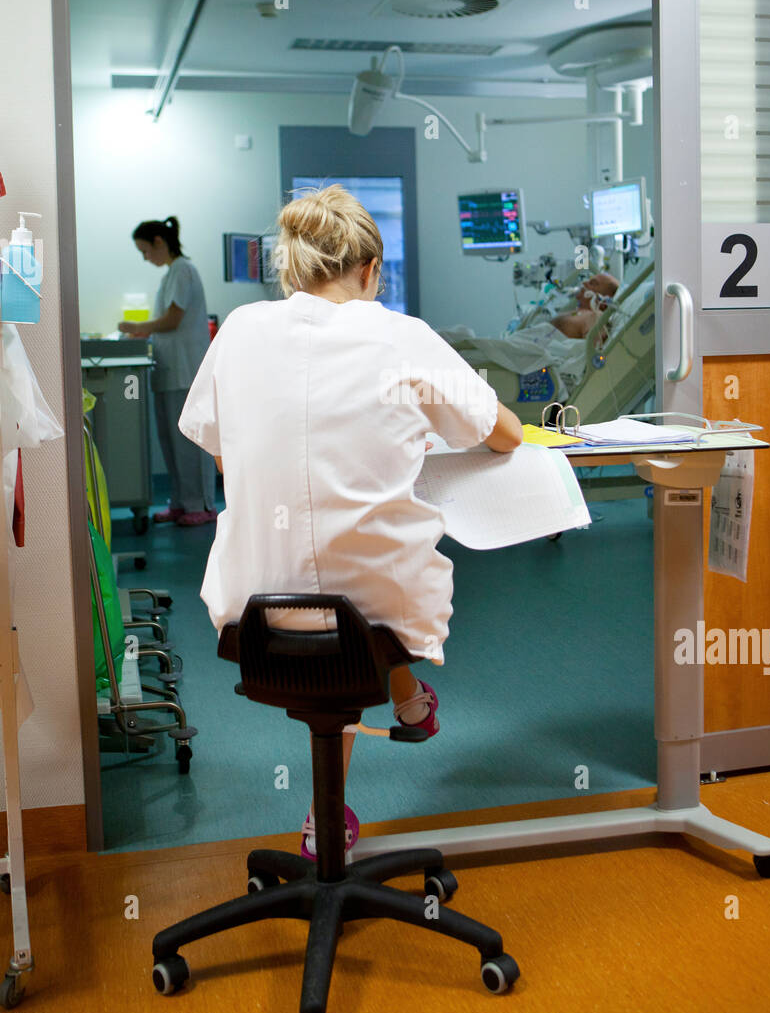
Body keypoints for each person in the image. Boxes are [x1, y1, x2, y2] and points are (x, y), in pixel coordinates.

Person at [178, 184, 523, 858]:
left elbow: (223, 453)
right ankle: (398, 709)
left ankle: (330, 814)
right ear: (373, 271)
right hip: (375, 616)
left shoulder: (242, 329)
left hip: (251, 612)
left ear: (291, 270)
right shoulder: (401, 334)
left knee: (327, 580)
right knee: (359, 595)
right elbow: (503, 433)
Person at [118, 216, 216, 527]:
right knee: (171, 442)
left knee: (189, 442)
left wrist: (139, 327)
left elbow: (173, 320)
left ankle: (201, 504)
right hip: (171, 370)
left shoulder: (183, 270)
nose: (145, 257)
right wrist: (144, 332)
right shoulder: (170, 274)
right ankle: (179, 502)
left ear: (160, 242)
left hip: (185, 371)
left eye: (145, 250)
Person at [550, 270, 619, 340]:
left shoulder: (595, 316)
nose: (584, 283)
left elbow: (594, 346)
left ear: (604, 300)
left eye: (592, 283)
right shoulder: (578, 313)